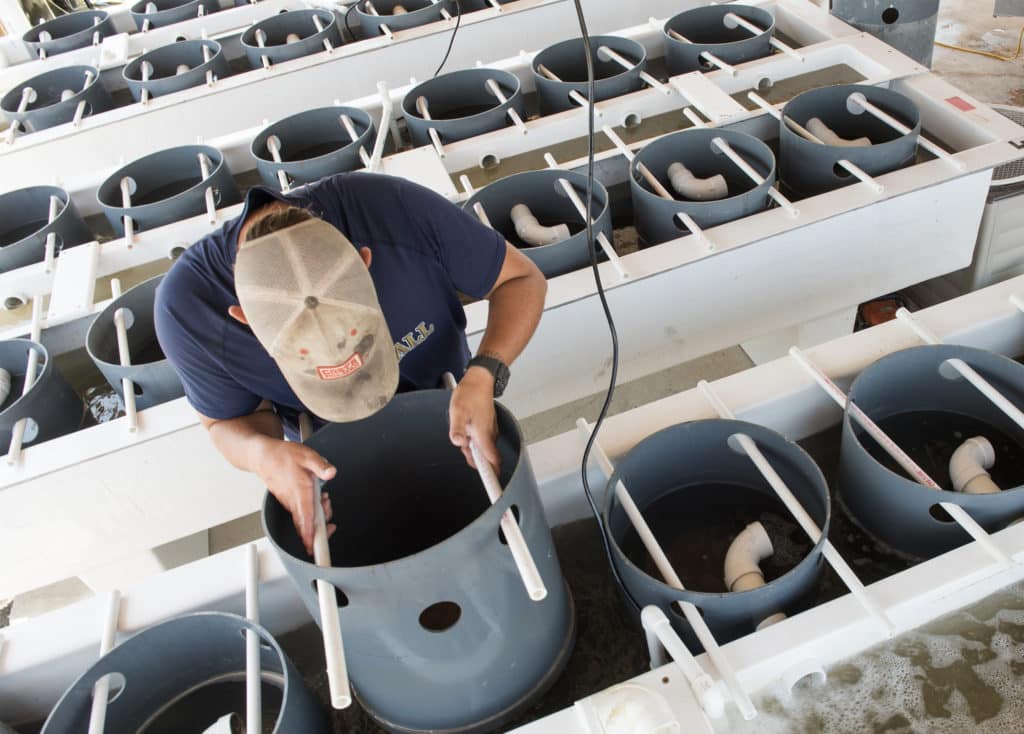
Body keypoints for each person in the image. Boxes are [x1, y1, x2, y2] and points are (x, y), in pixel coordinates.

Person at [154, 172, 547, 554]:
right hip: (333, 453)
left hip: (454, 402)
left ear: (365, 260)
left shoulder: (395, 211)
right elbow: (226, 422)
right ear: (244, 318)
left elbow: (521, 280)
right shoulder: (189, 310)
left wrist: (484, 372)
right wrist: (263, 455)